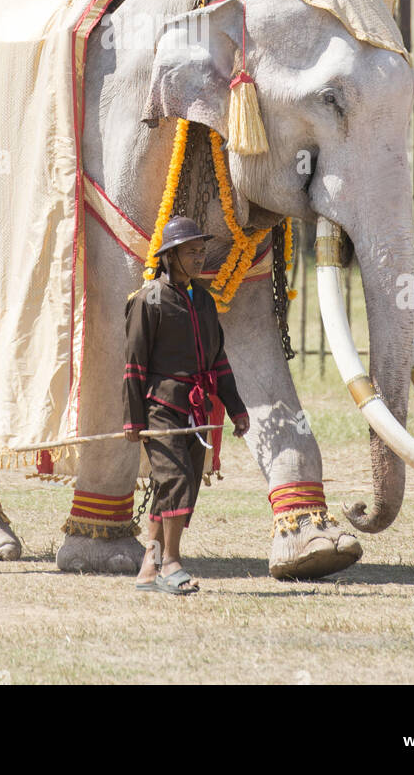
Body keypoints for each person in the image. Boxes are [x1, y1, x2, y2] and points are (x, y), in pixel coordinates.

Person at [123, 217, 250, 594]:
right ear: (171, 256)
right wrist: (133, 419)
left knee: (180, 486)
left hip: (198, 409)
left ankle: (150, 567)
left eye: (201, 250)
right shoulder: (148, 300)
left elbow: (218, 359)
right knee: (175, 479)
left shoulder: (205, 300)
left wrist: (237, 408)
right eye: (192, 251)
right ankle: (172, 564)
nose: (199, 257)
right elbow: (134, 366)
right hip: (161, 407)